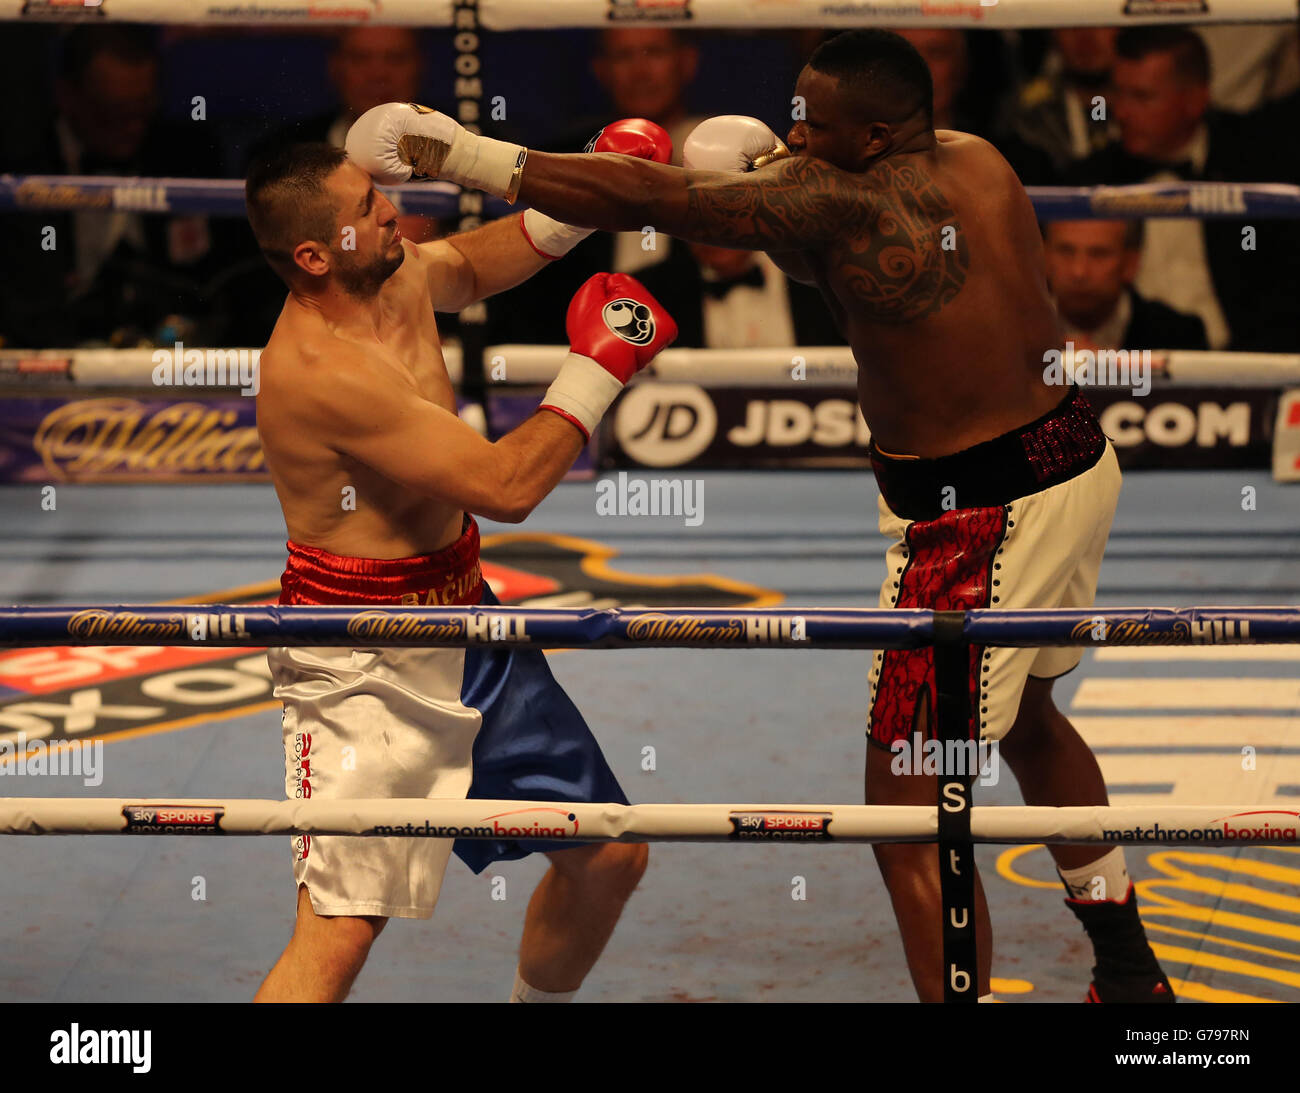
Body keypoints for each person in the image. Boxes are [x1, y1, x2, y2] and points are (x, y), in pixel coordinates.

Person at [344, 27, 1175, 1003]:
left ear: (873, 134)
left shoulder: (841, 189)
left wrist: (453, 150)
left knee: (909, 813)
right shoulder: (978, 160)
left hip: (977, 523)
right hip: (1068, 459)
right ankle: (1128, 975)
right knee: (1027, 717)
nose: (795, 137)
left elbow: (652, 199)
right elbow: (854, 261)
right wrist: (782, 173)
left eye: (813, 127)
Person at [243, 137, 676, 1003]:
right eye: (368, 206)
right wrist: (598, 366)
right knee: (338, 933)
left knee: (609, 852)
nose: (390, 210)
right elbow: (506, 485)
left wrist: (586, 192)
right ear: (314, 254)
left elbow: (472, 269)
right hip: (363, 663)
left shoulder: (388, 273)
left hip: (468, 625)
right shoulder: (323, 372)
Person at [1069, 27, 1300, 353]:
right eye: (1118, 93)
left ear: (1194, 100)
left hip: (1246, 366)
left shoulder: (1259, 168)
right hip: (1130, 367)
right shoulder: (1090, 180)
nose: (1121, 111)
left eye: (1142, 96)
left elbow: (1285, 291)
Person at [1043, 219, 1208, 352]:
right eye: (1065, 251)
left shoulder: (1179, 336)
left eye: (1098, 254)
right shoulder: (1018, 332)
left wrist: (1107, 373)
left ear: (1131, 263)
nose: (1079, 272)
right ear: (1044, 255)